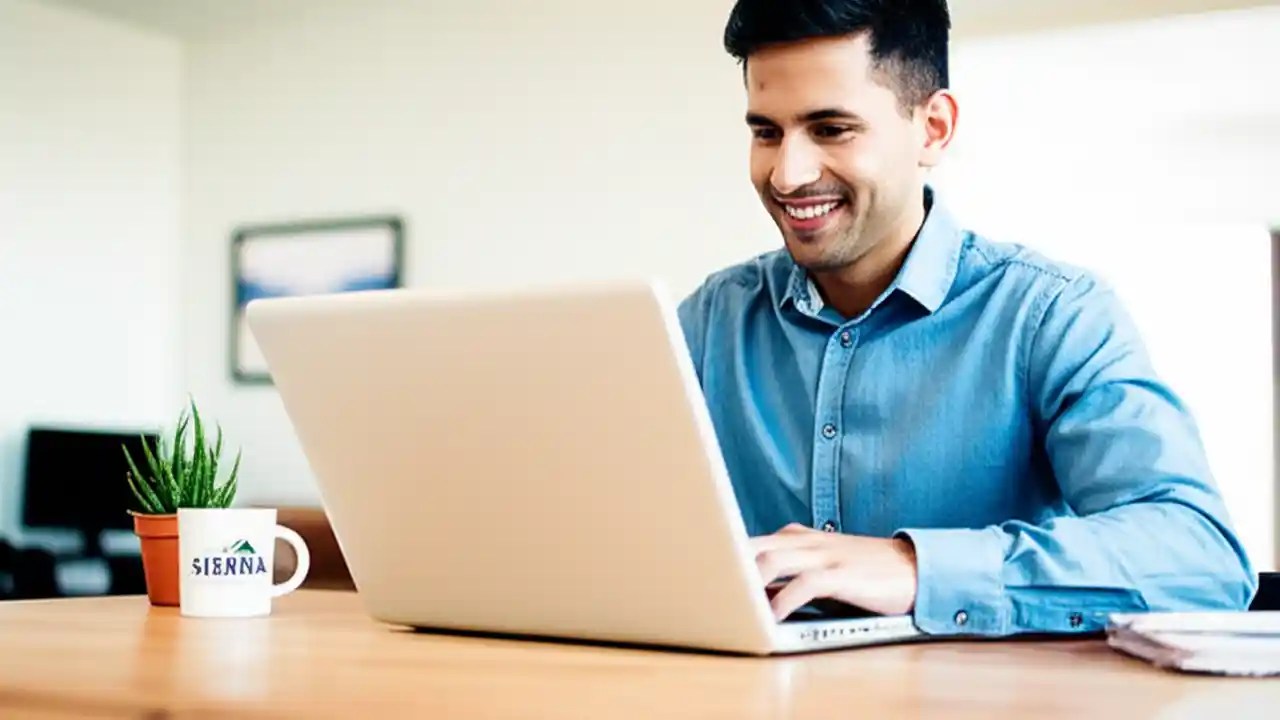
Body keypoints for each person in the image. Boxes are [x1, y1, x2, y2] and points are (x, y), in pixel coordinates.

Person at [677, 0, 1256, 636]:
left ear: (933, 129)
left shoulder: (1052, 316)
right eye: (767, 133)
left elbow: (1201, 558)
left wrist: (916, 567)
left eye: (831, 129)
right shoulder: (709, 324)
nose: (788, 173)